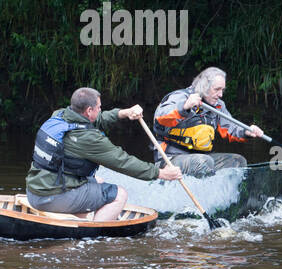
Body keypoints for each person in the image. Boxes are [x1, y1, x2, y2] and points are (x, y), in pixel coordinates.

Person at [27, 87, 182, 220]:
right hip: (51, 197)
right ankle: (92, 235)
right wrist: (161, 173)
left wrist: (124, 113)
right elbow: (123, 161)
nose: (101, 109)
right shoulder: (88, 139)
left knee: (98, 180)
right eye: (99, 107)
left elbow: (97, 119)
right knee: (119, 195)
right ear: (89, 110)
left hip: (35, 190)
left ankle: (79, 217)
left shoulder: (59, 116)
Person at [153, 67, 264, 177]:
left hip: (201, 158)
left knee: (238, 161)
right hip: (170, 159)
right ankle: (201, 194)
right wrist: (185, 107)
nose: (221, 94)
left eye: (222, 90)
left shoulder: (218, 105)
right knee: (203, 162)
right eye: (217, 89)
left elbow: (230, 129)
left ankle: (227, 194)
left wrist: (247, 132)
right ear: (204, 87)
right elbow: (160, 118)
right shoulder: (180, 97)